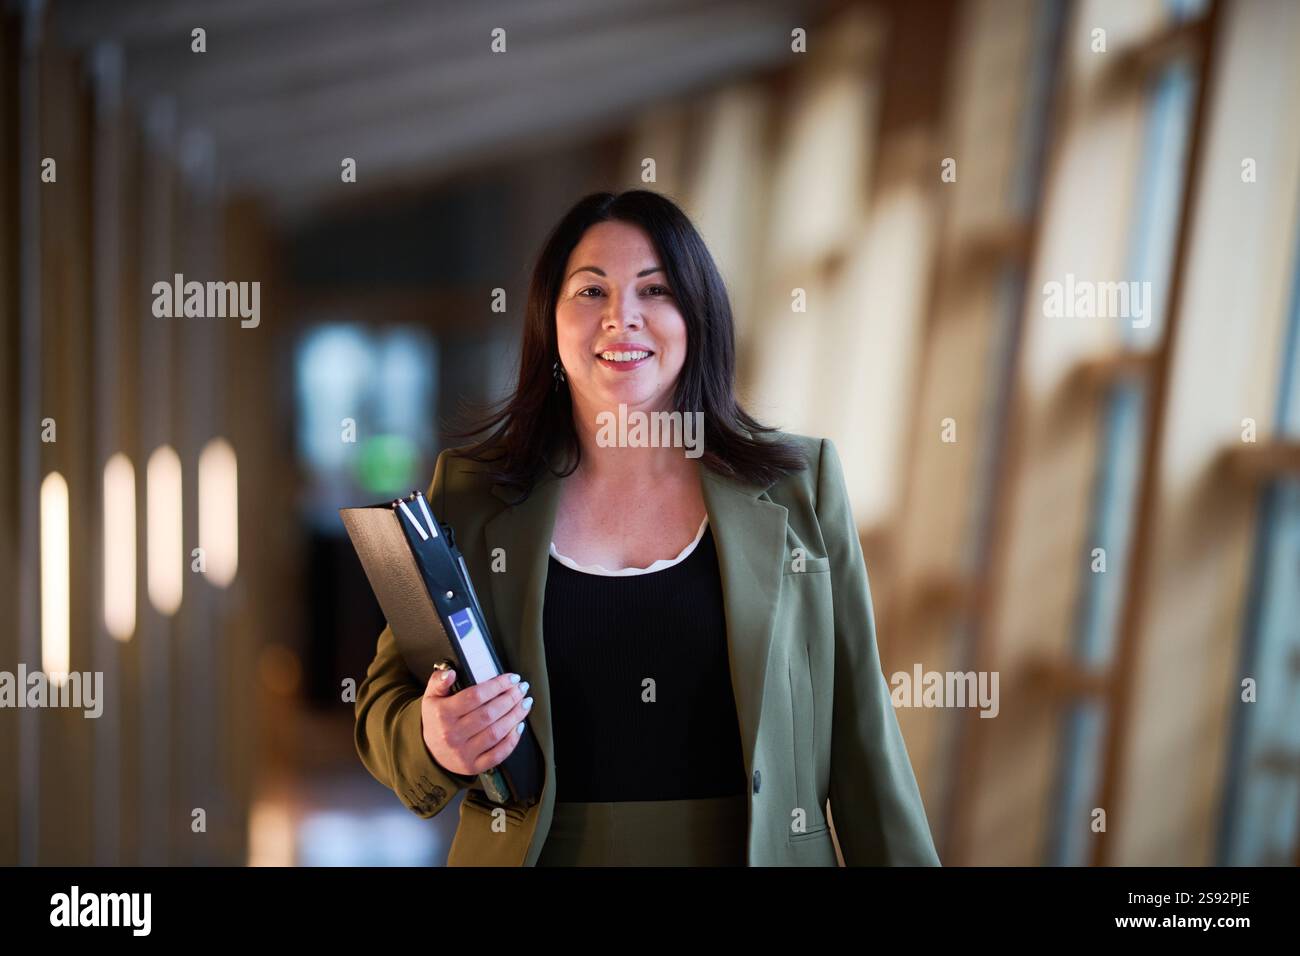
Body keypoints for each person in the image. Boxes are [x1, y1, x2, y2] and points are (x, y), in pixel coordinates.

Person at [354, 189, 940, 866]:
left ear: (697, 316)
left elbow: (862, 735)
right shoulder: (475, 494)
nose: (621, 318)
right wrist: (433, 739)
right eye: (591, 291)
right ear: (550, 320)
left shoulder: (799, 488)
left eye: (654, 290)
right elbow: (381, 705)